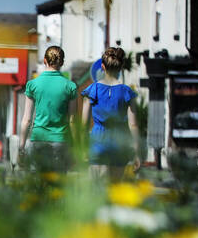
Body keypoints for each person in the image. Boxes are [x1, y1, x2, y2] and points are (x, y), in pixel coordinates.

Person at [81, 46, 140, 181]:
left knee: (96, 192)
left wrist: (83, 147)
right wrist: (137, 152)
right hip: (119, 144)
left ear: (102, 66)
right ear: (121, 67)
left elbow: (84, 124)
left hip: (98, 143)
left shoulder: (92, 90)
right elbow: (133, 125)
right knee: (114, 190)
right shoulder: (127, 92)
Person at [18, 45, 79, 173]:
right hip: (61, 141)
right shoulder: (70, 86)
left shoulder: (32, 85)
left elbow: (27, 120)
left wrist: (21, 149)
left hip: (38, 139)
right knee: (59, 185)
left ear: (45, 60)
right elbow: (73, 120)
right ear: (62, 62)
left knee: (38, 186)